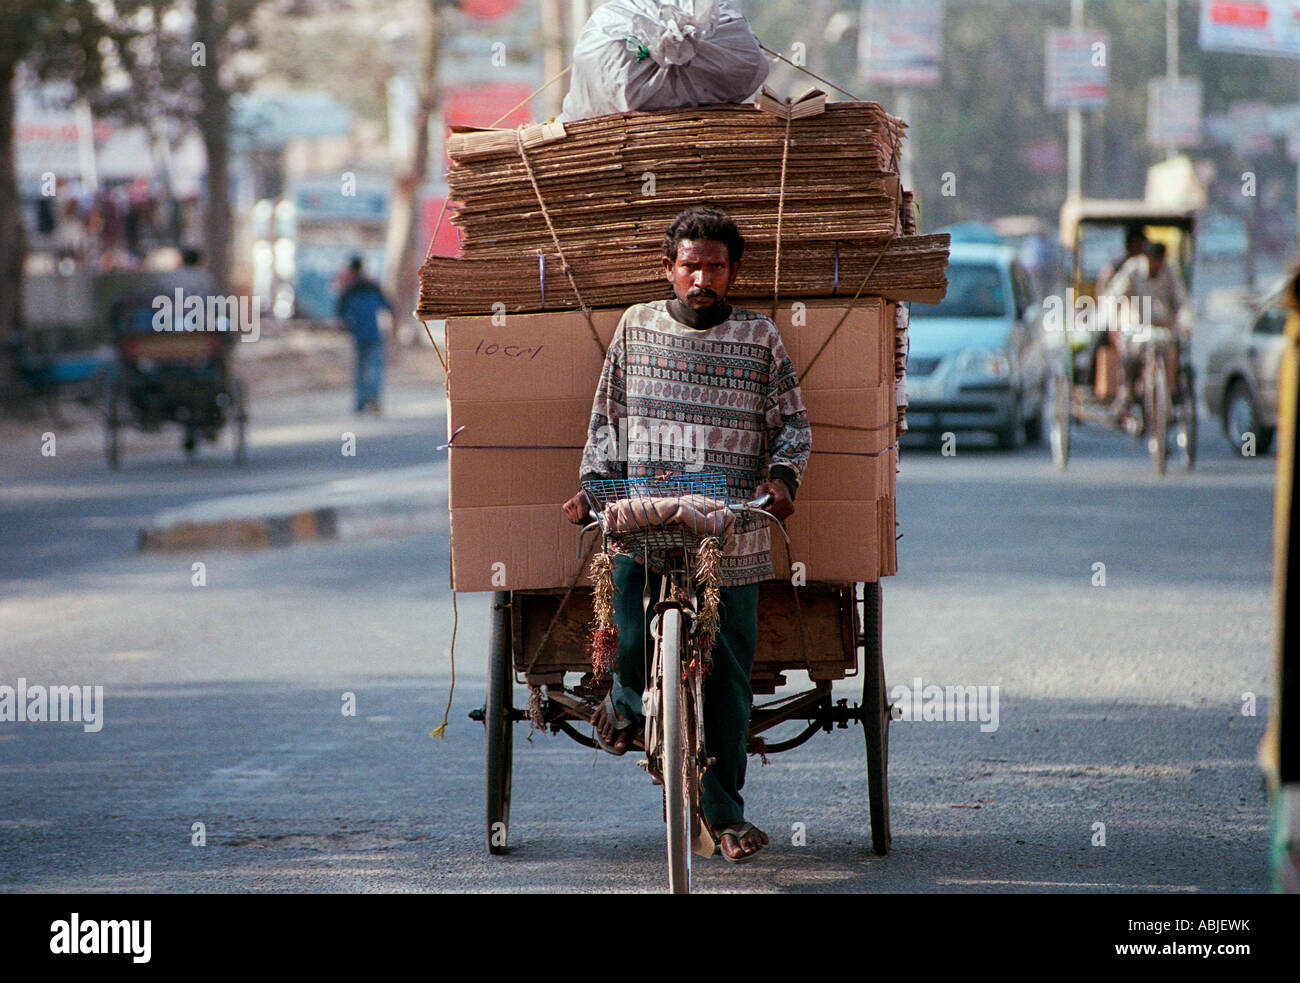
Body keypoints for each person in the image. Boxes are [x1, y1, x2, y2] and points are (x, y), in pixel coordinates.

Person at [561, 205, 812, 863]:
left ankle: (726, 815)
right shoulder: (635, 328)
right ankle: (622, 701)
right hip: (645, 512)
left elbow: (792, 424)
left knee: (729, 676)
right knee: (623, 602)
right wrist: (595, 483)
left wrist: (784, 478)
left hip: (730, 529)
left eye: (715, 266)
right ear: (668, 268)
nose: (702, 277)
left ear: (733, 272)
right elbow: (606, 419)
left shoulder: (761, 337)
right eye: (690, 264)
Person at [1104, 241, 1190, 423]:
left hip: (1163, 329)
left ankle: (1169, 398)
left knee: (1176, 355)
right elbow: (1114, 297)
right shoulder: (1133, 269)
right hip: (1136, 328)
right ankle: (1126, 394)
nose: (1157, 265)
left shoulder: (1170, 271)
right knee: (1129, 357)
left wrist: (1185, 322)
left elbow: (1182, 301)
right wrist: (1113, 325)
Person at [336, 256, 394, 415]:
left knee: (360, 368)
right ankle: (374, 398)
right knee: (375, 367)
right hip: (374, 332)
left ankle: (361, 402)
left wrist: (346, 326)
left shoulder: (349, 290)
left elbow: (340, 313)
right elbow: (389, 306)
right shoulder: (372, 287)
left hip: (358, 334)